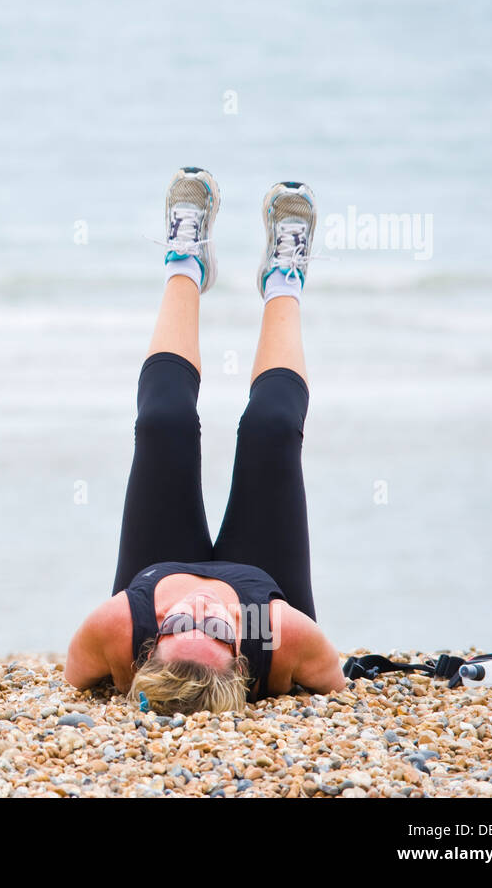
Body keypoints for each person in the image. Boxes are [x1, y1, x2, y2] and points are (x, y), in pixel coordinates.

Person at [65, 168, 345, 713]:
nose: (197, 605)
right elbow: (334, 683)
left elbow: (78, 678)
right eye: (213, 626)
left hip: (156, 565)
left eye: (179, 625)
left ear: (149, 644)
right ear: (242, 656)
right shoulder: (278, 635)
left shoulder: (116, 628)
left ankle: (185, 262)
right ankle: (285, 276)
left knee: (162, 422)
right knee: (271, 427)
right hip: (265, 583)